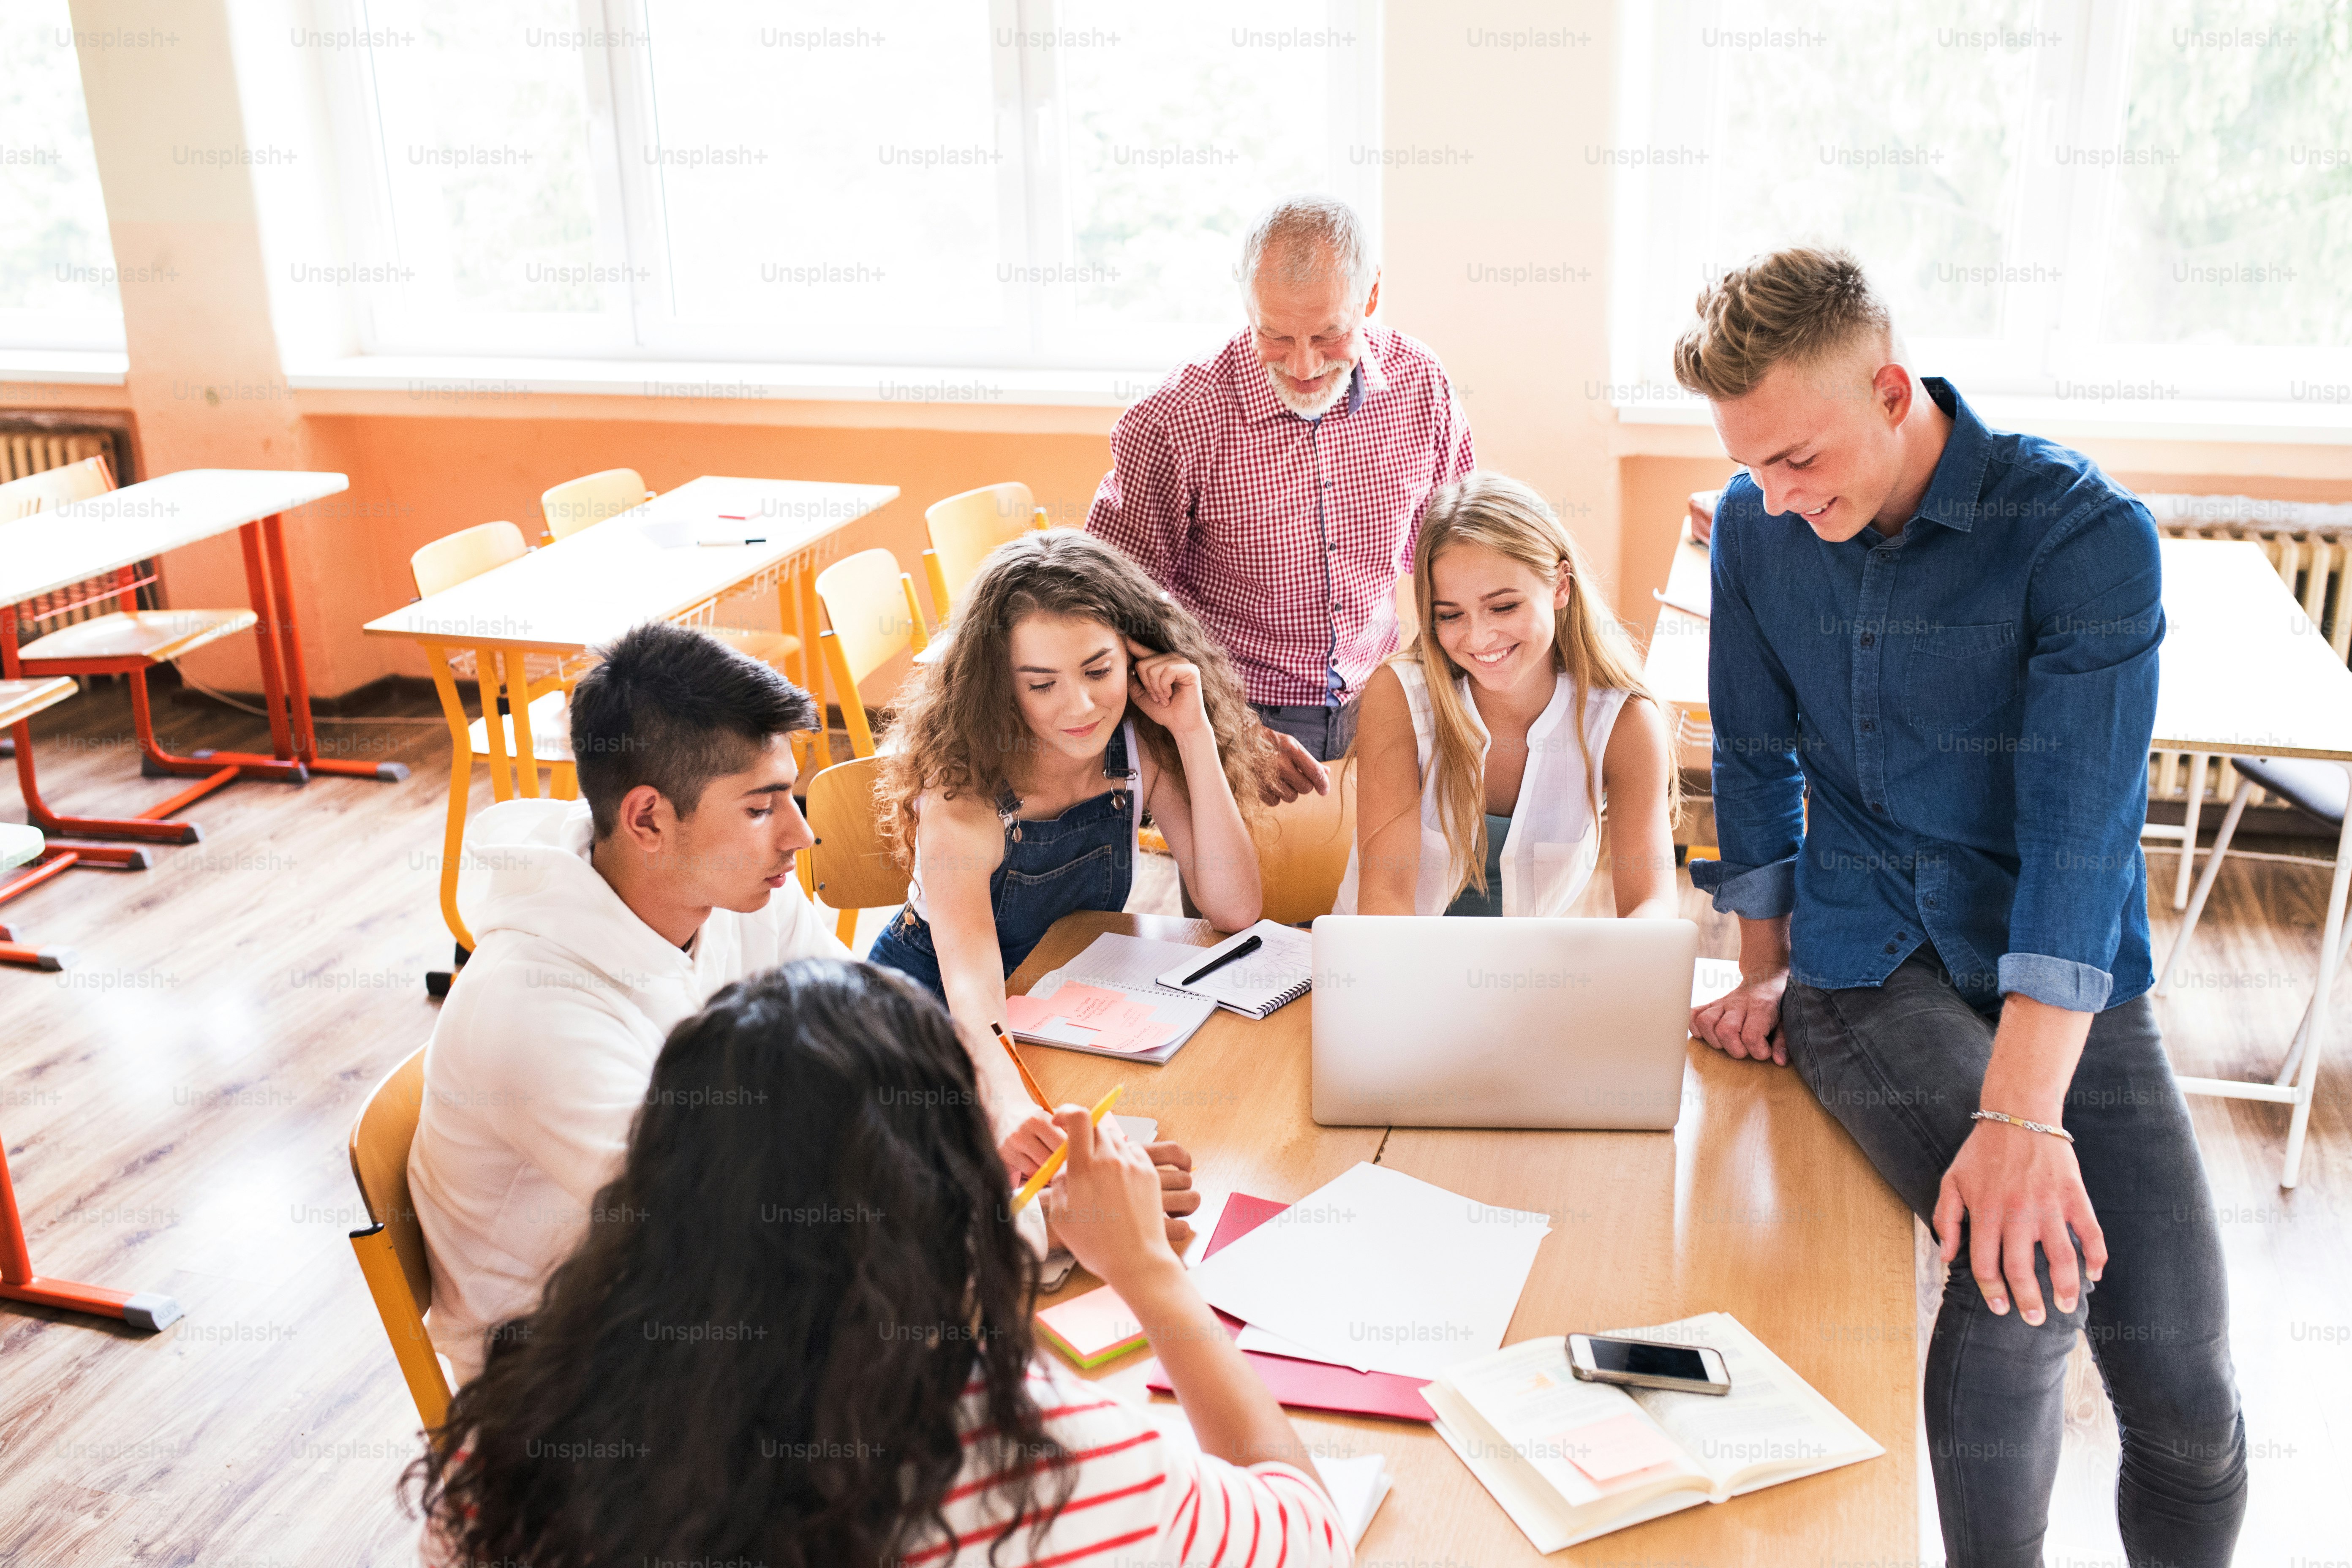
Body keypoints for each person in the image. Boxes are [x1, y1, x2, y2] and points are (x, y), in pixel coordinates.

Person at [1675, 246, 2244, 1565]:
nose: (1770, 496)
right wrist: (1761, 960)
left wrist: (2018, 1110)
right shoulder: (1762, 526)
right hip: (1865, 960)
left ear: (1888, 390)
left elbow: (2076, 836)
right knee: (2025, 1278)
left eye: (1797, 460)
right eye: (1749, 463)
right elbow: (1752, 758)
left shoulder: (2081, 537)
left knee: (2190, 1414)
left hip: (2057, 966)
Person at [411, 960, 1354, 1568]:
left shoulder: (508, 1452)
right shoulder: (1059, 1466)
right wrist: (1152, 1273)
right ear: (945, 1190)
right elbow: (1310, 1533)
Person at [406, 622, 852, 1384]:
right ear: (647, 818)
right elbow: (710, 1224)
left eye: (791, 797)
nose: (799, 834)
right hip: (569, 1381)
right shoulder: (535, 1007)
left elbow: (869, 1034)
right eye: (759, 807)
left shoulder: (740, 892)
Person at [1086, 193, 1475, 798]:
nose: (1302, 365)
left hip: (1386, 699)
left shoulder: (1422, 385)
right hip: (1234, 714)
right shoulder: (1174, 419)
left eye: (1329, 334)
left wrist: (1441, 687)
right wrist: (1226, 729)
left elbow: (1456, 553)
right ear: (1246, 303)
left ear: (1370, 296)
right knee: (1242, 897)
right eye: (1275, 334)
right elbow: (1106, 608)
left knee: (1377, 894)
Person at [867, 530, 1275, 1051]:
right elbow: (974, 994)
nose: (1080, 706)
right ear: (1000, 686)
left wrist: (1192, 733)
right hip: (934, 1017)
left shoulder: (1141, 744)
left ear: (1135, 655)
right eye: (1042, 684)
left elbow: (1235, 909)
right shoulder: (961, 797)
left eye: (1098, 670)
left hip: (1057, 998)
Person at [1336, 473, 1679, 919]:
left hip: (1530, 979)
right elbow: (1386, 899)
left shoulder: (1625, 721)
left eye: (1503, 606)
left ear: (1560, 586)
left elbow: (1652, 903)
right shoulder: (1400, 696)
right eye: (1451, 614)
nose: (1479, 637)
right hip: (1394, 968)